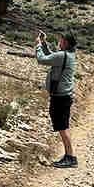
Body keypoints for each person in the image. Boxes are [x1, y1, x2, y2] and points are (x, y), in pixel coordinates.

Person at [35, 31, 77, 168]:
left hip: (60, 98)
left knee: (62, 128)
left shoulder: (62, 55)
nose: (59, 41)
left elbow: (42, 59)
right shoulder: (67, 55)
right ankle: (68, 155)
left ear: (65, 42)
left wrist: (38, 46)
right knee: (62, 126)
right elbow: (52, 56)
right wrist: (44, 44)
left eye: (61, 40)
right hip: (63, 97)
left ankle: (70, 157)